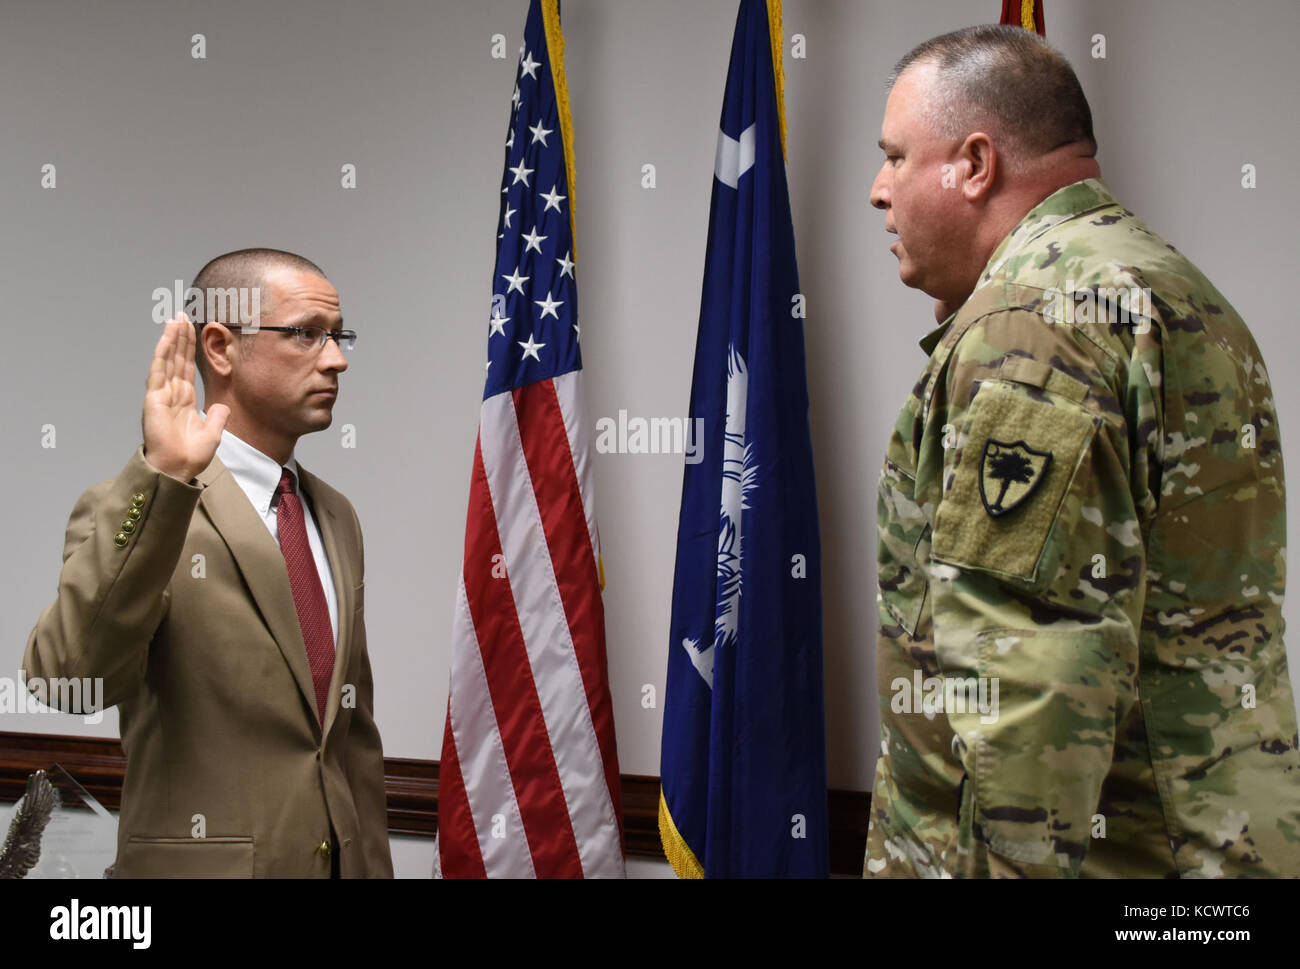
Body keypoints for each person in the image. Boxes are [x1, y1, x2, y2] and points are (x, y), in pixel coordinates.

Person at [864, 24, 1300, 877]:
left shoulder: (1030, 325)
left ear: (974, 164)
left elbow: (1028, 678)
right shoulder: (1171, 287)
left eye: (895, 156)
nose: (878, 190)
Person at [24, 248, 393, 877]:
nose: (337, 359)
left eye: (338, 336)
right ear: (219, 348)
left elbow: (351, 740)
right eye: (306, 333)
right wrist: (163, 478)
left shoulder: (336, 517)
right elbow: (64, 681)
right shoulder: (146, 507)